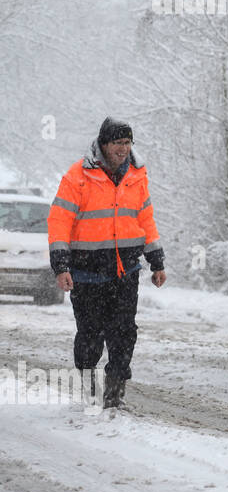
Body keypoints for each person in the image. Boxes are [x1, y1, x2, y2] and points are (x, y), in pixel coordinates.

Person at [47, 118, 165, 409]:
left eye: (127, 143)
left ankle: (115, 394)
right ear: (103, 144)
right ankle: (87, 386)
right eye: (117, 143)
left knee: (124, 332)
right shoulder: (78, 176)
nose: (123, 149)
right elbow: (59, 221)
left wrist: (156, 260)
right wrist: (61, 266)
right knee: (90, 334)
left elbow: (145, 219)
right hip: (87, 272)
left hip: (125, 270)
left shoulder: (136, 175)